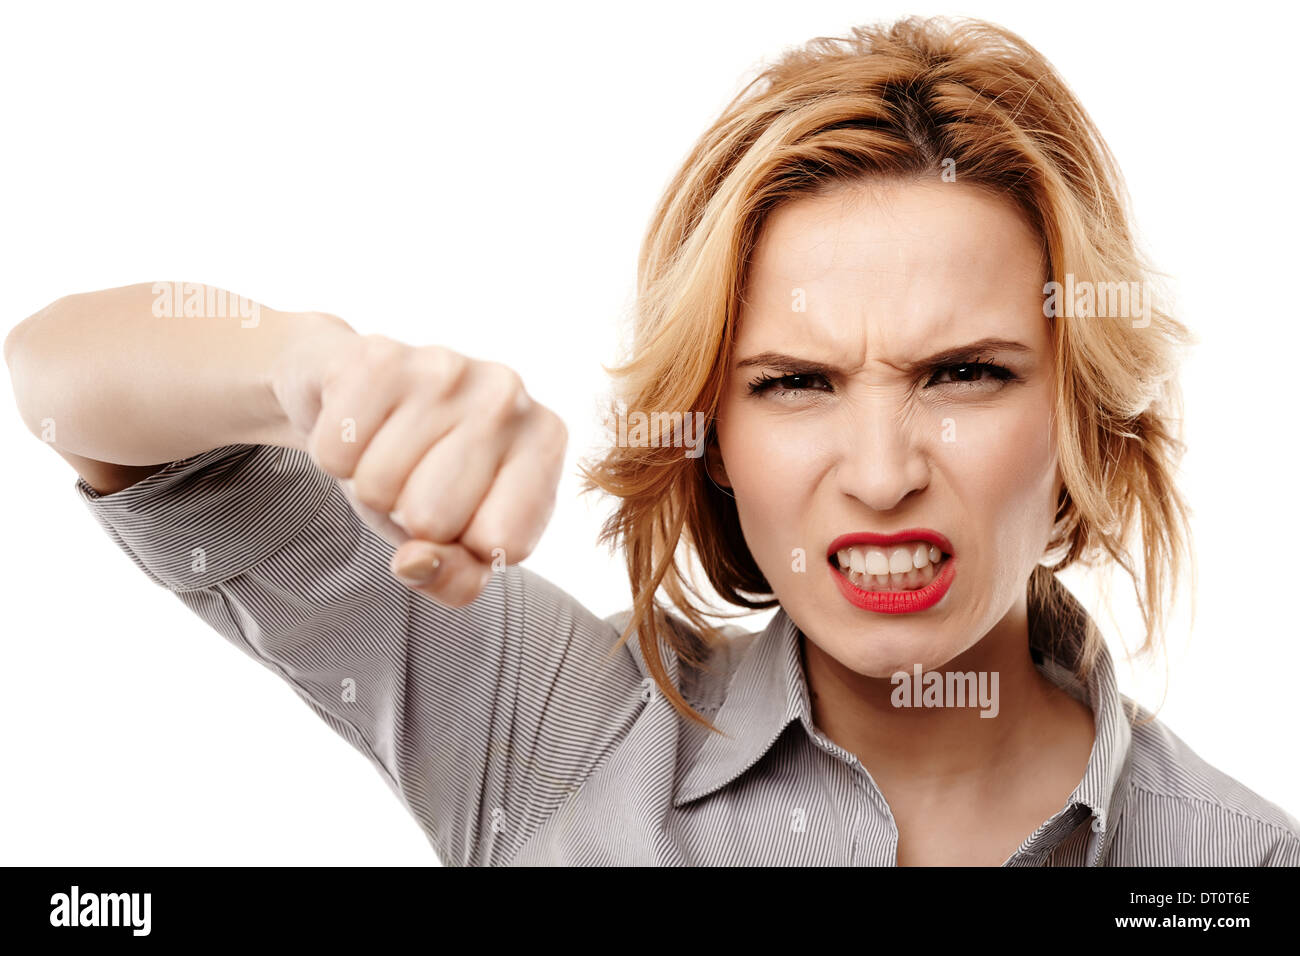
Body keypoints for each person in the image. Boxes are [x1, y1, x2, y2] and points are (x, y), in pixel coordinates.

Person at [6, 16, 1298, 866]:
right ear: (715, 438)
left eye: (965, 372)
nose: (885, 468)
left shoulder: (1236, 865)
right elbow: (59, 381)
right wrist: (310, 370)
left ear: (1076, 414)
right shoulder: (556, 730)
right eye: (796, 383)